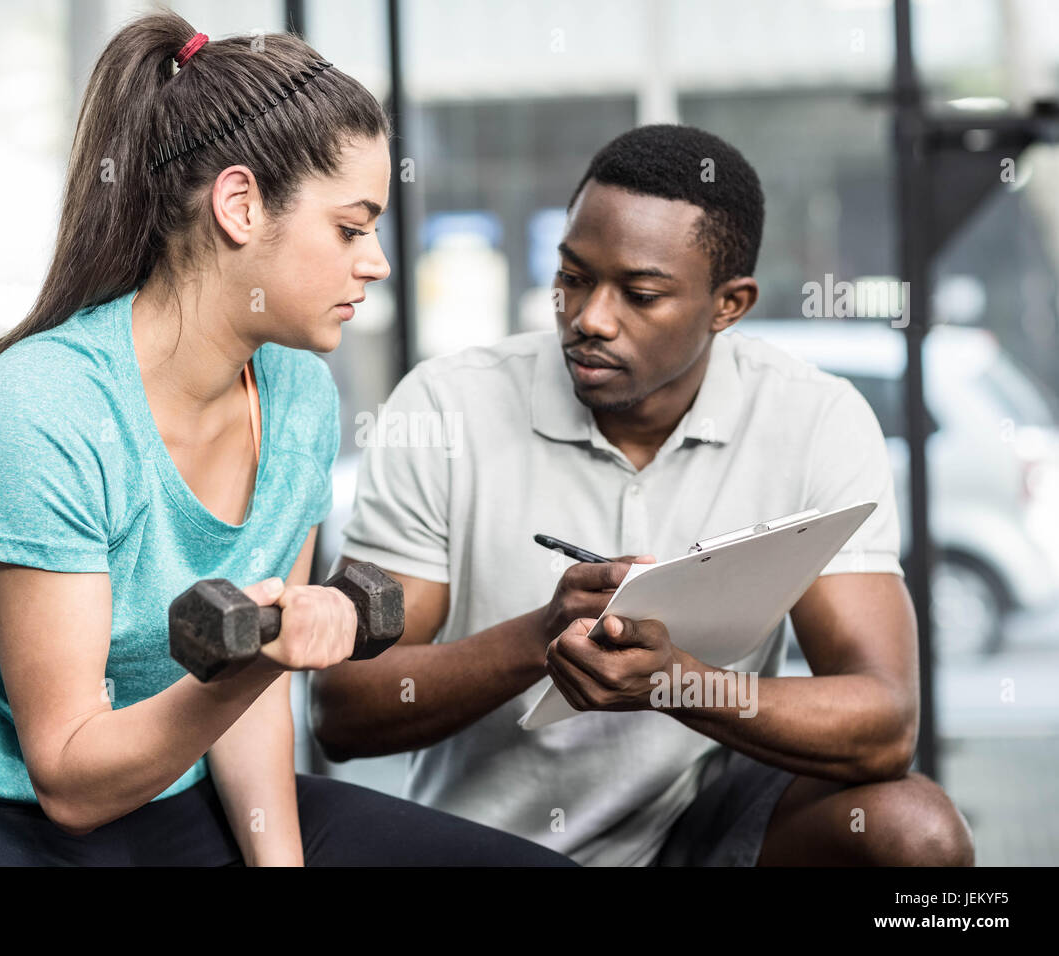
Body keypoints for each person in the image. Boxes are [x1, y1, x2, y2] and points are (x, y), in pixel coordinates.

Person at [0, 13, 573, 867]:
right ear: (240, 205)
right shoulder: (41, 412)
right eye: (350, 227)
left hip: (165, 798)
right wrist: (263, 656)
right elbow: (71, 779)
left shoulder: (298, 395)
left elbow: (250, 698)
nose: (377, 262)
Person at [312, 123, 976, 867]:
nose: (590, 317)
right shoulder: (444, 407)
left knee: (915, 833)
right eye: (572, 276)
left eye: (640, 293)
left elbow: (885, 723)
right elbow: (346, 707)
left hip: (702, 836)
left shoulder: (814, 418)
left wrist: (676, 683)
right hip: (491, 843)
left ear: (730, 304)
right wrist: (540, 639)